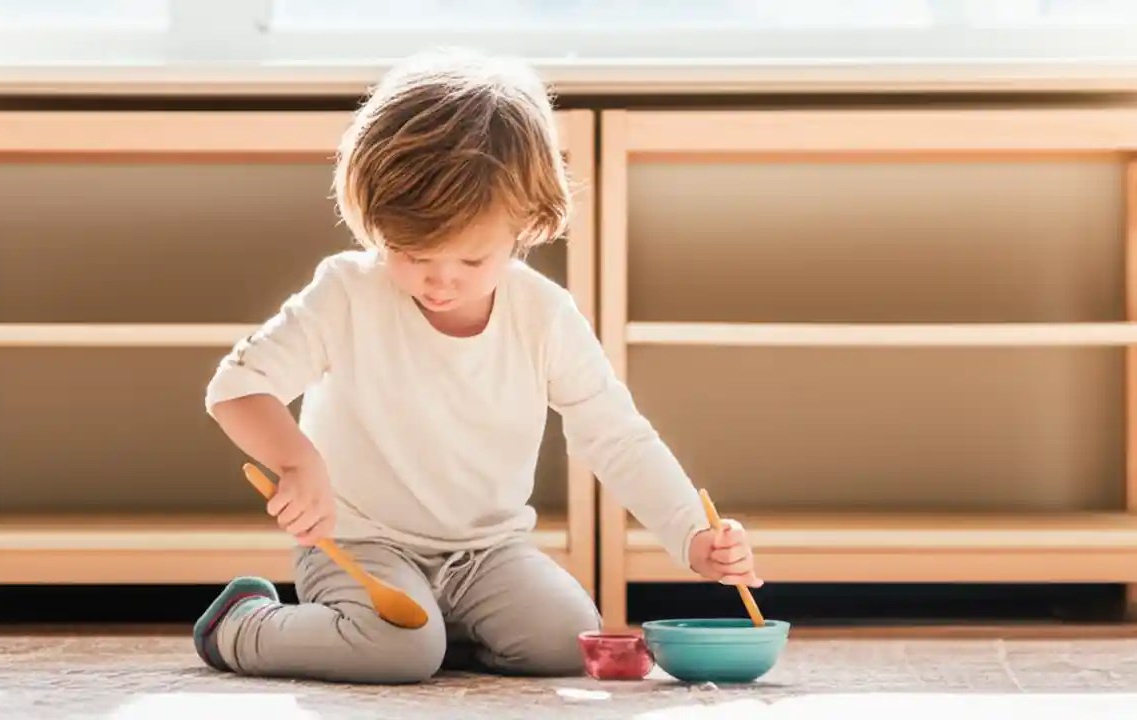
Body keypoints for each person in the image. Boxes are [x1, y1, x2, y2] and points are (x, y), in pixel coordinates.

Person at [192, 47, 761, 684]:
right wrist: (298, 462)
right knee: (396, 648)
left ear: (528, 224)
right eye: (410, 254)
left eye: (471, 261)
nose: (439, 282)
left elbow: (617, 436)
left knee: (561, 641)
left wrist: (691, 534)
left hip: (488, 553)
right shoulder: (347, 293)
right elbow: (236, 388)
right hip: (358, 542)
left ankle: (427, 639)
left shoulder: (543, 314)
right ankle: (242, 626)